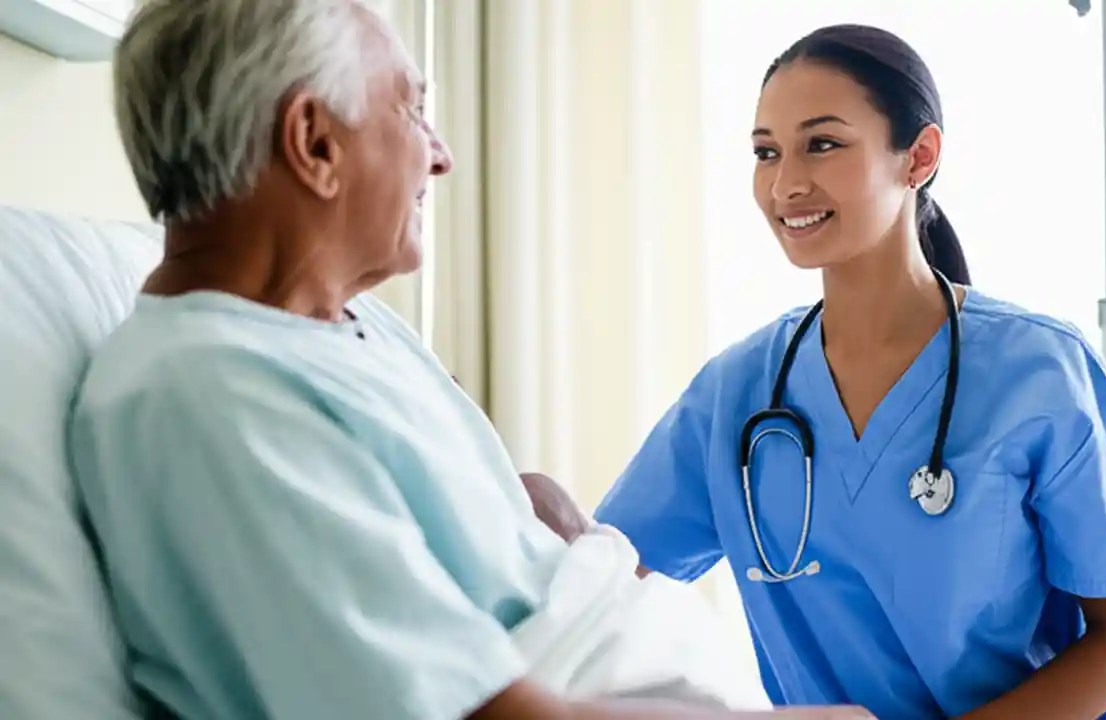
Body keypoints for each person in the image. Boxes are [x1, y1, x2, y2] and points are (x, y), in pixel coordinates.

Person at [67, 2, 874, 719]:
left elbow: (480, 533)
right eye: (413, 112)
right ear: (315, 143)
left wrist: (553, 524)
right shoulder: (211, 396)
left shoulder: (346, 329)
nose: (441, 155)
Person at [583, 23, 1106, 720]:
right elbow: (591, 585)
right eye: (766, 152)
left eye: (823, 143)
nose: (786, 183)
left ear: (920, 156)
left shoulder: (1039, 372)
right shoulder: (735, 397)